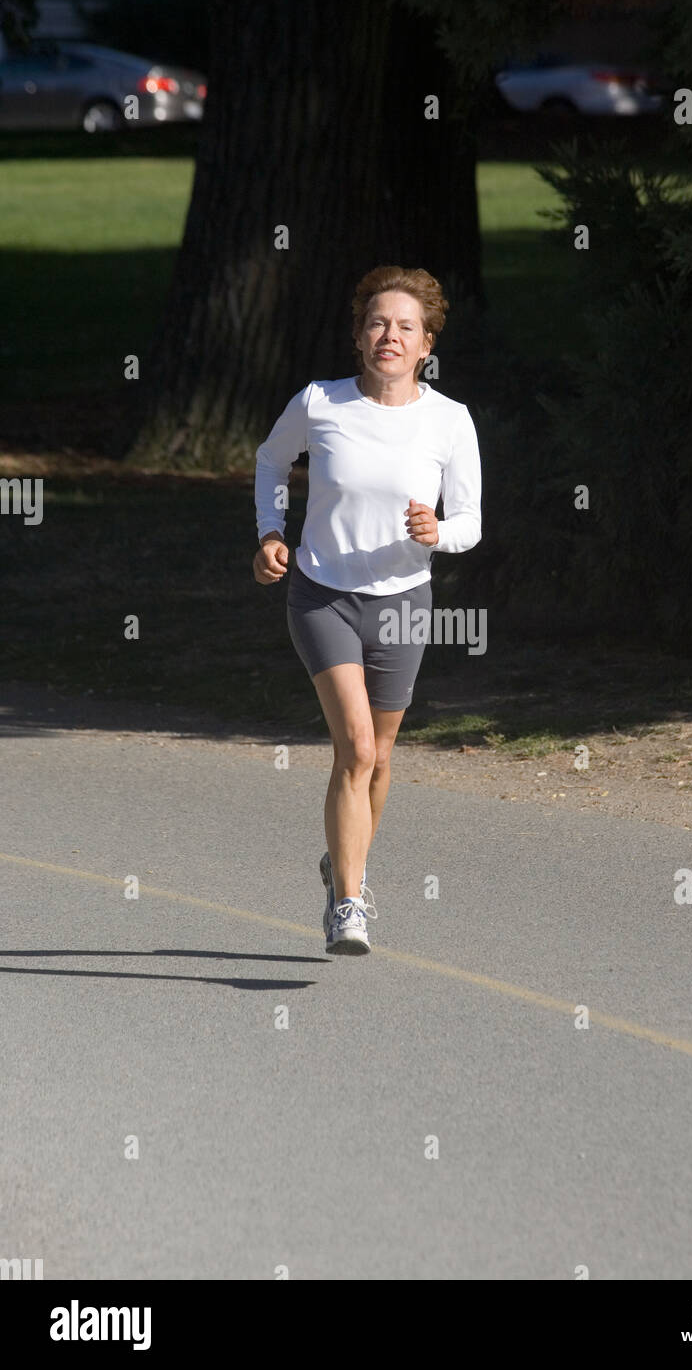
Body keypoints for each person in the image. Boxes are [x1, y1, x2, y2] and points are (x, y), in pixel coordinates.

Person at [253, 265, 482, 955]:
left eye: (405, 327)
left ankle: (343, 862)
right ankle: (349, 904)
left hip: (405, 603)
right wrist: (270, 531)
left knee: (380, 758)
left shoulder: (449, 420)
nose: (390, 335)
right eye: (377, 323)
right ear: (358, 336)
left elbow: (471, 520)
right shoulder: (320, 402)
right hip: (322, 594)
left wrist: (437, 533)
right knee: (354, 746)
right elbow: (270, 461)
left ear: (427, 344)